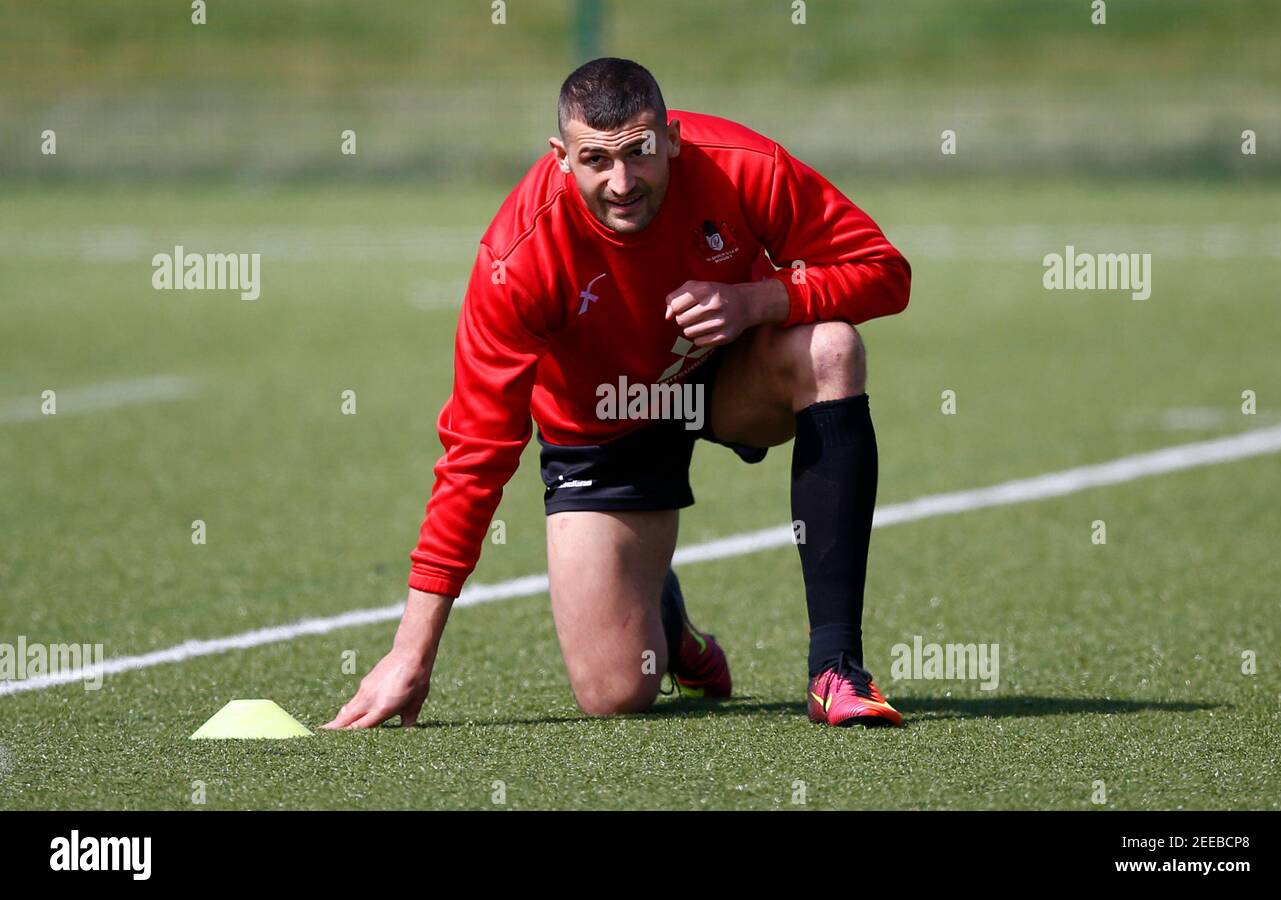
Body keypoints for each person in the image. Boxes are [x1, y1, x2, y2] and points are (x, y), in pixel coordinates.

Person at [323, 57, 911, 731]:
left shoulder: (745, 166)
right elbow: (477, 452)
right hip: (604, 425)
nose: (622, 182)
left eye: (640, 152)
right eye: (596, 160)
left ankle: (836, 669)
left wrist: (757, 300)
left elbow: (885, 273)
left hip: (726, 374)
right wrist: (411, 652)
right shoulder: (517, 259)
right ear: (561, 157)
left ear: (672, 137)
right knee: (614, 693)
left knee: (831, 347)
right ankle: (667, 618)